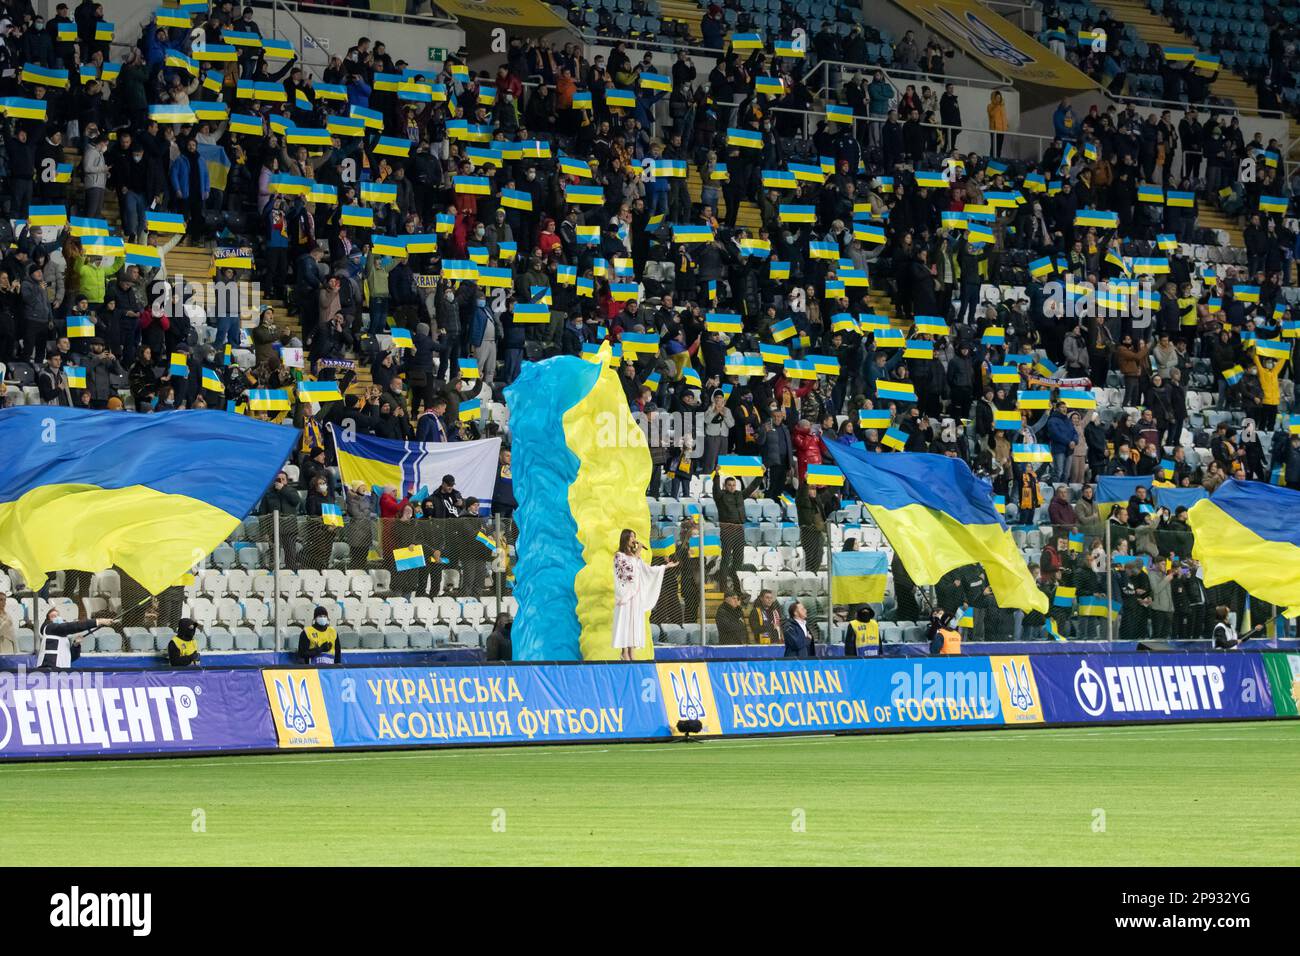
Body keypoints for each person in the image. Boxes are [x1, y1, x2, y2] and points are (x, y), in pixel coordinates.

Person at [613, 528, 675, 661]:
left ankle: (631, 651)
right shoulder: (619, 556)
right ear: (626, 539)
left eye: (635, 537)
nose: (634, 540)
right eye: (631, 537)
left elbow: (647, 570)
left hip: (636, 596)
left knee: (634, 623)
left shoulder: (636, 557)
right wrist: (638, 552)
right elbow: (627, 572)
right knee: (625, 622)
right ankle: (624, 652)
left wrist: (665, 567)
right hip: (626, 596)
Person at [38, 607, 113, 668]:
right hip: (49, 669)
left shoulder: (63, 637)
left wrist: (75, 645)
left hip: (62, 670)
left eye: (58, 616)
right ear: (48, 620)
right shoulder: (49, 627)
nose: (56, 618)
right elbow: (74, 626)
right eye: (53, 616)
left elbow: (71, 657)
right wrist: (98, 621)